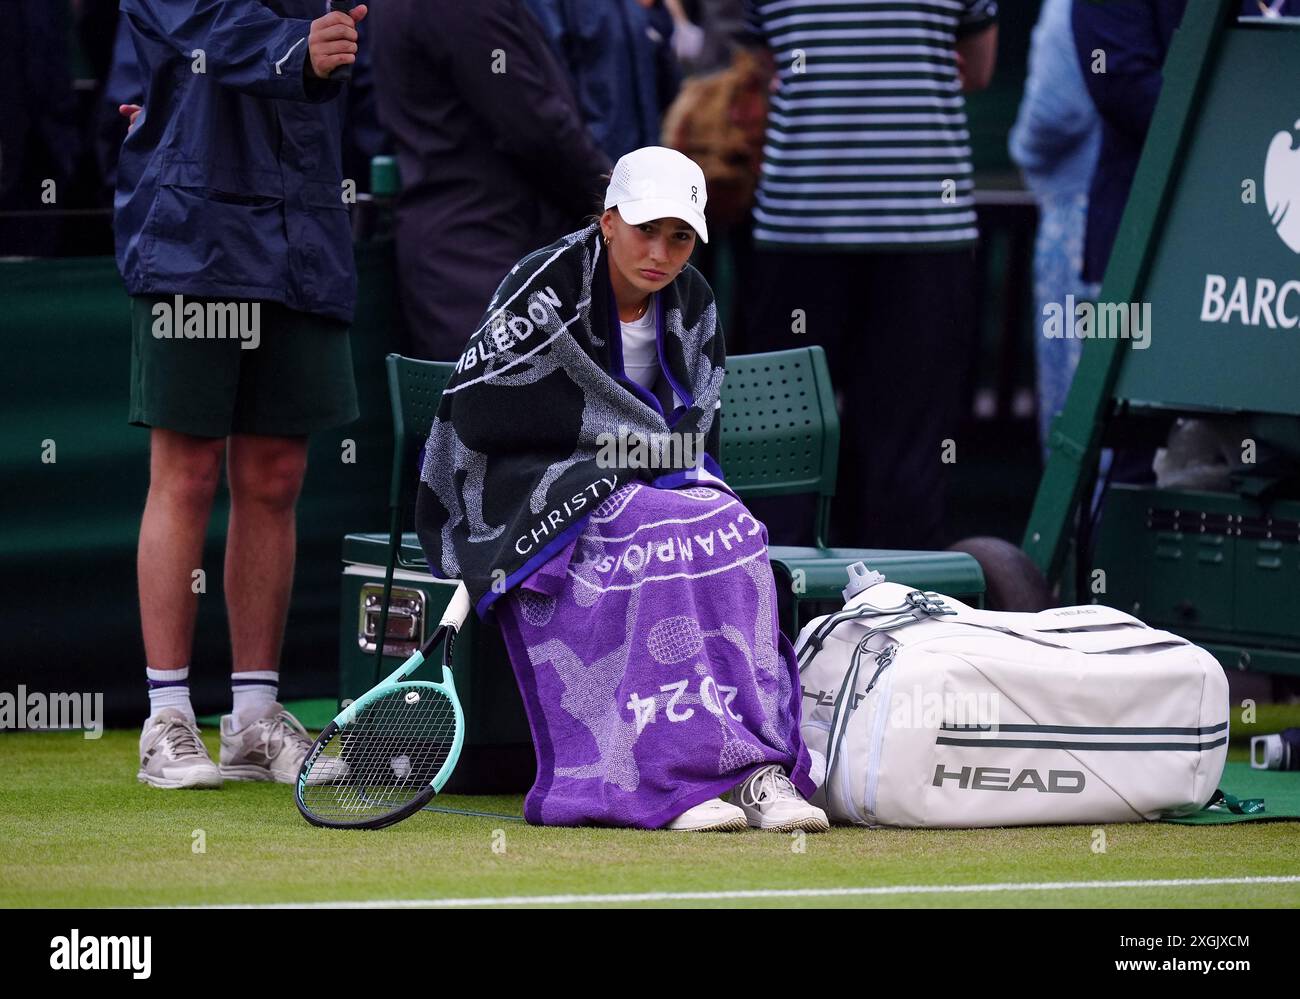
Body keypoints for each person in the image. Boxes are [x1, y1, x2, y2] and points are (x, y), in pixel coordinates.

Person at [415, 147, 828, 832]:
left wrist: (648, 459)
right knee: (656, 525)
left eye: (680, 236)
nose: (662, 252)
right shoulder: (541, 284)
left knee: (733, 526)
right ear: (607, 222)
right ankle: (664, 782)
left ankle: (755, 768)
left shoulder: (694, 298)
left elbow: (699, 431)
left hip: (648, 480)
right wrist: (625, 449)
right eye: (645, 230)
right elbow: (483, 415)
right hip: (515, 489)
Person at [116, 0, 368, 789]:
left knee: (276, 475)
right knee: (186, 470)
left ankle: (255, 717)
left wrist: (325, 49)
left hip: (306, 221)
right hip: (194, 225)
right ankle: (167, 716)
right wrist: (300, 49)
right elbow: (188, 22)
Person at [740, 0, 997, 551]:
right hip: (923, 228)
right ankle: (901, 616)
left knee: (779, 446)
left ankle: (770, 615)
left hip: (799, 223)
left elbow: (764, 68)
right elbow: (977, 71)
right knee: (907, 455)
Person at [371, 0, 611, 361]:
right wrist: (619, 200)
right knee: (501, 408)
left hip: (473, 247)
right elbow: (534, 126)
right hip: (482, 254)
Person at [1009, 0, 1101, 455]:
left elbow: (1054, 110)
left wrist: (1021, 152)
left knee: (1079, 416)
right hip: (1126, 214)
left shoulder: (1069, 7)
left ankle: (1088, 525)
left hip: (1082, 226)